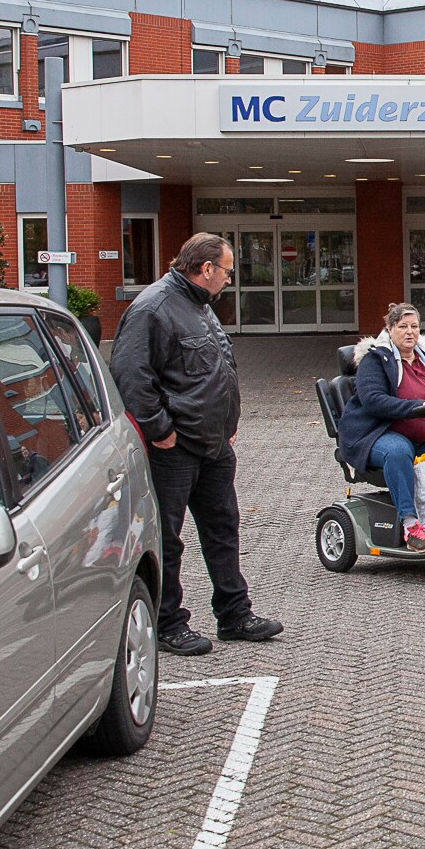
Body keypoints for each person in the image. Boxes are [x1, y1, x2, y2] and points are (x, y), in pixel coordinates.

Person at [109, 232, 284, 656]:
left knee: (222, 528)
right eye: (226, 271)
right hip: (176, 448)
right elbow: (131, 375)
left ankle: (234, 614)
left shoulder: (199, 306)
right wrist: (160, 430)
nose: (229, 280)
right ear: (205, 269)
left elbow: (217, 368)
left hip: (213, 445)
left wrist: (228, 421)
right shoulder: (154, 308)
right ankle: (168, 622)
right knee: (167, 538)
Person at [336, 302, 425, 551]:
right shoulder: (375, 359)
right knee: (398, 450)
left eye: (414, 326)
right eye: (402, 326)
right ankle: (411, 525)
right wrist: (419, 406)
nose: (410, 332)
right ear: (389, 329)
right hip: (378, 433)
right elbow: (373, 401)